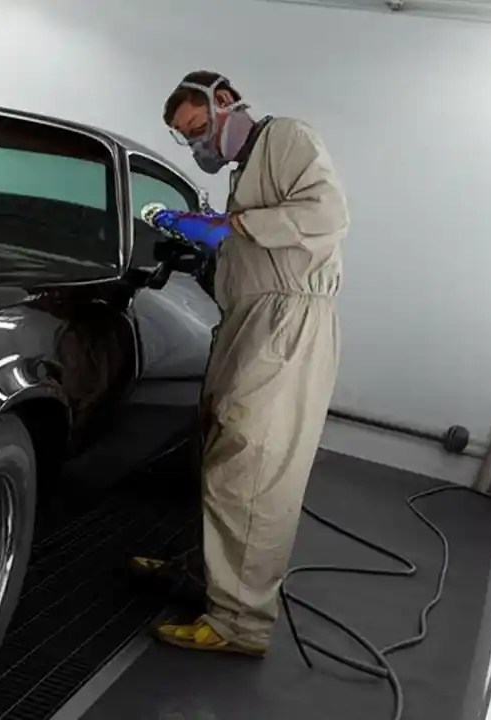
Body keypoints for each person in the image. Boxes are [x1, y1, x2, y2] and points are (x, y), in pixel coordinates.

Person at [134, 71, 350, 656]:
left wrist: (228, 228)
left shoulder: (288, 139)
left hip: (287, 323)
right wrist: (203, 241)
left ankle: (239, 625)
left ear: (224, 102)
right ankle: (207, 575)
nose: (198, 145)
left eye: (199, 128)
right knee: (221, 451)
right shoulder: (244, 168)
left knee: (250, 466)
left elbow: (326, 216)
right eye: (187, 137)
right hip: (249, 320)